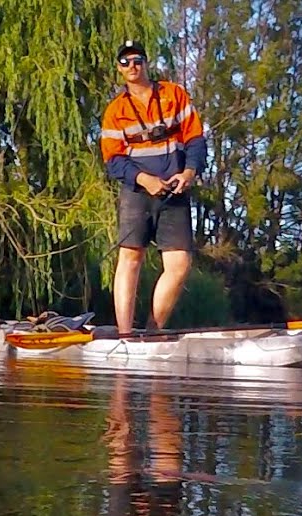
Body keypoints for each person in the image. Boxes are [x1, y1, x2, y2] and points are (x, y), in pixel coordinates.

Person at [99, 40, 207, 335]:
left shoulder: (175, 94)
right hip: (137, 192)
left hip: (175, 190)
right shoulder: (115, 110)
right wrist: (144, 180)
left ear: (146, 63)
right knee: (130, 257)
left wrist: (189, 171)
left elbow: (196, 138)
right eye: (125, 62)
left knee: (180, 263)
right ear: (119, 70)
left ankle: (152, 330)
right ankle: (124, 334)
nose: (132, 66)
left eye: (137, 60)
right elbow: (113, 160)